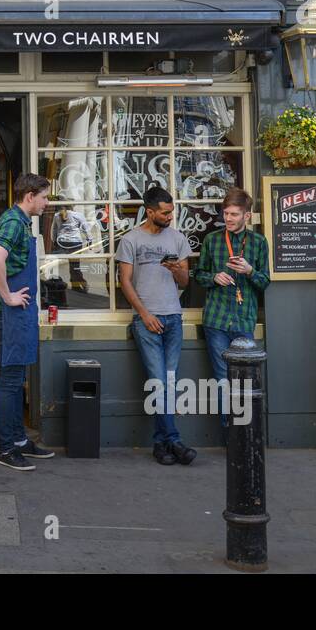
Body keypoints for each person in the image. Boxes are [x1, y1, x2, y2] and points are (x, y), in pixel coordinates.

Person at [118, 186, 196, 465]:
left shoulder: (178, 238)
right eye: (164, 213)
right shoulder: (131, 239)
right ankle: (174, 440)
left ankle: (161, 445)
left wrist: (178, 272)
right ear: (149, 212)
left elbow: (185, 282)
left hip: (173, 317)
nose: (170, 216)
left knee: (169, 383)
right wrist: (144, 314)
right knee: (159, 382)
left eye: (171, 212)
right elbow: (125, 281)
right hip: (146, 320)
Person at [0, 172, 56, 471]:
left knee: (17, 382)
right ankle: (6, 449)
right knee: (11, 382)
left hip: (20, 313)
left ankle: (18, 440)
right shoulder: (13, 221)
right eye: (44, 197)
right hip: (11, 314)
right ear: (30, 196)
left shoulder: (22, 221)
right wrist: (8, 296)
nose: (46, 203)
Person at [194, 187, 271, 432]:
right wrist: (213, 277)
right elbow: (198, 274)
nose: (228, 218)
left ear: (246, 216)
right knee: (222, 379)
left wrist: (249, 271)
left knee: (244, 381)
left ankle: (244, 434)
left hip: (244, 320)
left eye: (234, 214)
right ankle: (230, 435)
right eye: (226, 213)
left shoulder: (258, 242)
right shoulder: (212, 240)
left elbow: (265, 282)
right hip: (216, 320)